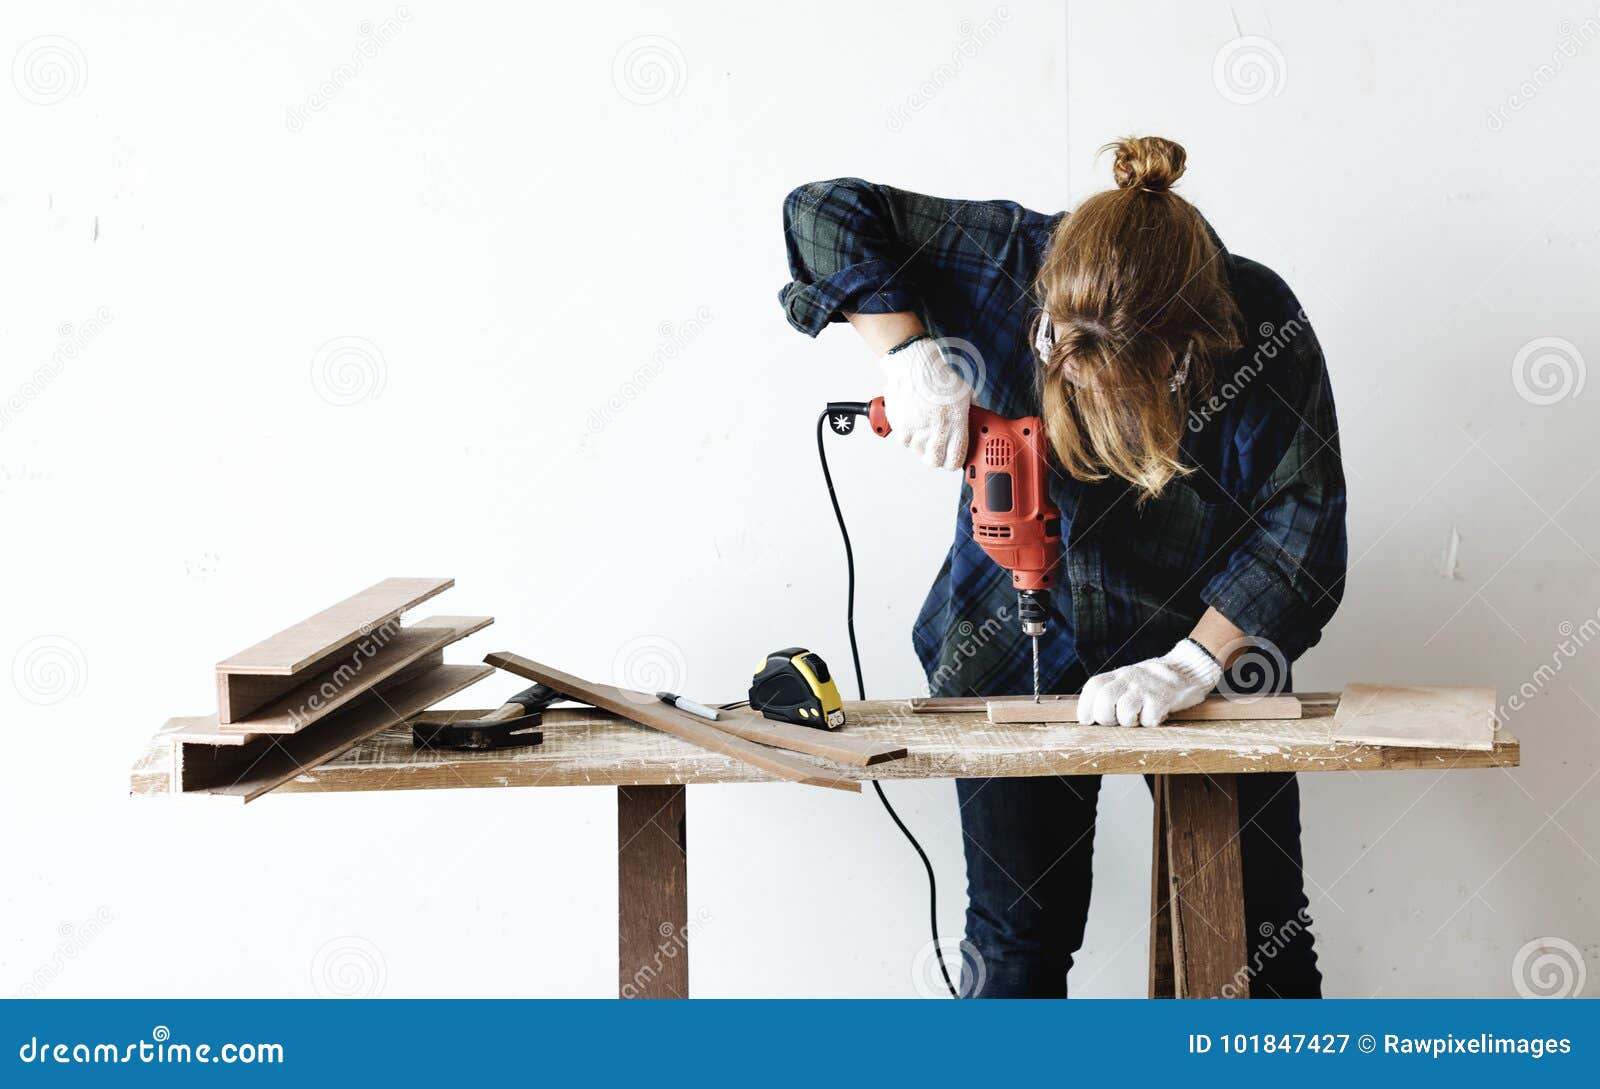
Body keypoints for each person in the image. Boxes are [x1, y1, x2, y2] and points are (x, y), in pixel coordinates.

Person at [778, 136, 1347, 998]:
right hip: (1007, 633)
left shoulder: (1257, 322)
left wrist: (1194, 663)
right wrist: (907, 352)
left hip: (1207, 631)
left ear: (1185, 349)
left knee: (1258, 933)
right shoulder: (1012, 257)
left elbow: (1304, 518)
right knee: (1016, 941)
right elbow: (821, 208)